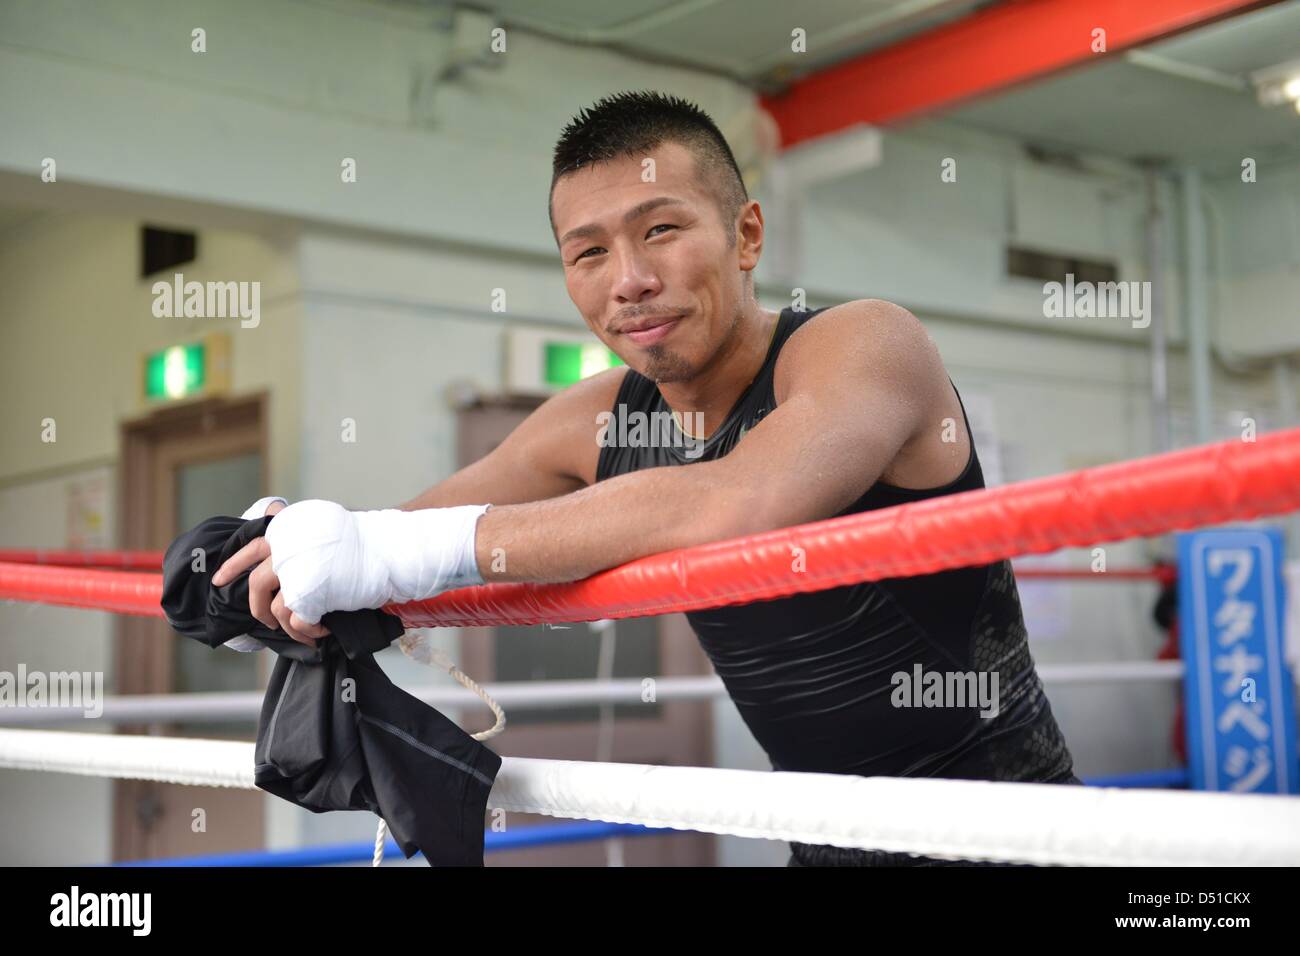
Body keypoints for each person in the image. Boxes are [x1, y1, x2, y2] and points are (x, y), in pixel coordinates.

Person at [213, 90, 1078, 866]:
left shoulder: (864, 344)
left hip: (1014, 840)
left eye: (660, 229)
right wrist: (264, 554)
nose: (629, 280)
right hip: (829, 847)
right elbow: (392, 532)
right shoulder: (594, 419)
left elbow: (742, 498)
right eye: (588, 252)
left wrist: (393, 548)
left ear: (746, 235)